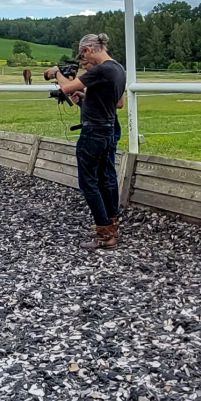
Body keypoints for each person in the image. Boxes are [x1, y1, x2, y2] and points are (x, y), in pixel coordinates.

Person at [46, 33, 127, 249]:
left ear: (89, 49)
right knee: (106, 177)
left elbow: (66, 87)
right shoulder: (119, 69)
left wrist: (56, 73)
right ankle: (113, 224)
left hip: (94, 132)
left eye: (83, 55)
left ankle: (103, 232)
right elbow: (118, 104)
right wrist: (86, 97)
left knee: (88, 182)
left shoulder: (101, 69)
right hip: (109, 129)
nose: (84, 61)